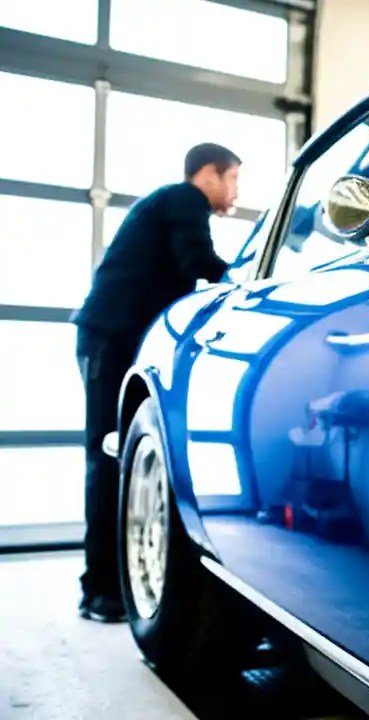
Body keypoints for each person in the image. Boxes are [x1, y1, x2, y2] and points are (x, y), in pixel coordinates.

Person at [71, 143, 239, 622]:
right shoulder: (185, 199)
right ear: (208, 174)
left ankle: (109, 585)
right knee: (108, 458)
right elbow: (199, 263)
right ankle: (97, 590)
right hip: (110, 339)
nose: (235, 192)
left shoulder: (167, 204)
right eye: (233, 179)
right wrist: (247, 280)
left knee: (116, 458)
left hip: (115, 338)